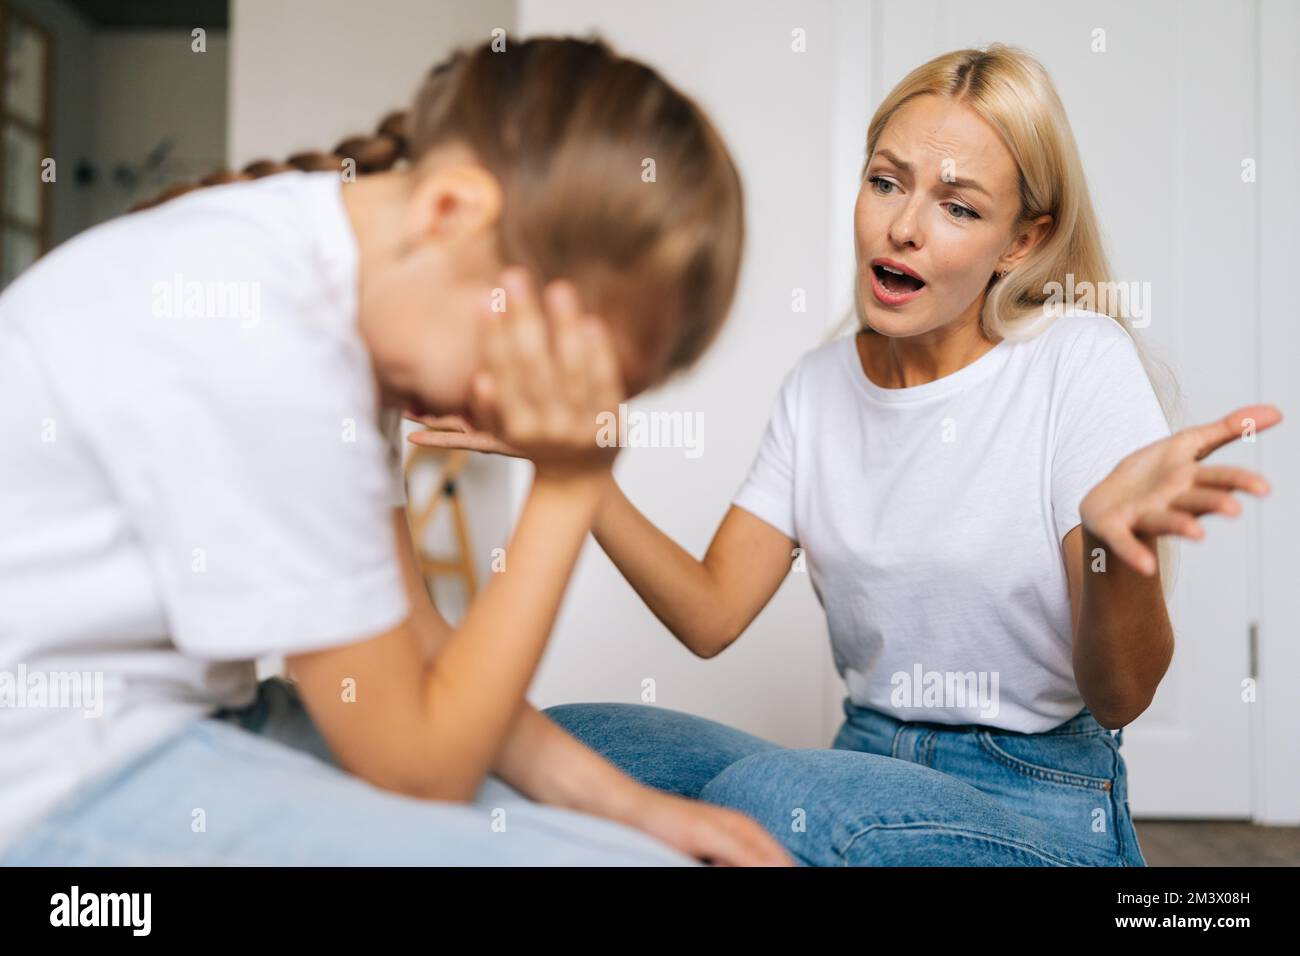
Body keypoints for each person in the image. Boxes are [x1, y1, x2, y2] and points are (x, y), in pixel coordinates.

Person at [412, 44, 1284, 866]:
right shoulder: (820, 385)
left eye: (958, 206)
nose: (903, 227)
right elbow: (712, 614)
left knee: (774, 792)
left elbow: (1122, 696)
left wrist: (1107, 542)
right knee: (569, 744)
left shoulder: (1075, 361)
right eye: (885, 183)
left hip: (1041, 796)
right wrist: (574, 469)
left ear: (1020, 242)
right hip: (864, 762)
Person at [0, 36, 792, 866]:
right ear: (449, 213)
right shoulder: (262, 332)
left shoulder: (336, 305)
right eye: (532, 360)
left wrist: (642, 812)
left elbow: (423, 648)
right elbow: (420, 768)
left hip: (184, 719)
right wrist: (568, 484)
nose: (519, 408)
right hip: (55, 769)